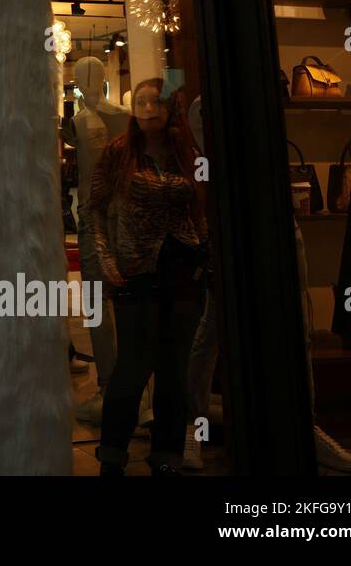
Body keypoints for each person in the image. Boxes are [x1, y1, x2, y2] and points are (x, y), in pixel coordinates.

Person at [90, 78, 208, 476]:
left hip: (183, 267)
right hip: (135, 269)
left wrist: (204, 253)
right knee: (133, 368)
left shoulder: (186, 154)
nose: (147, 109)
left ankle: (168, 455)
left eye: (154, 102)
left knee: (176, 370)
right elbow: (94, 208)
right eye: (139, 102)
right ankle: (112, 456)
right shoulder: (120, 154)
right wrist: (106, 260)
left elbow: (201, 208)